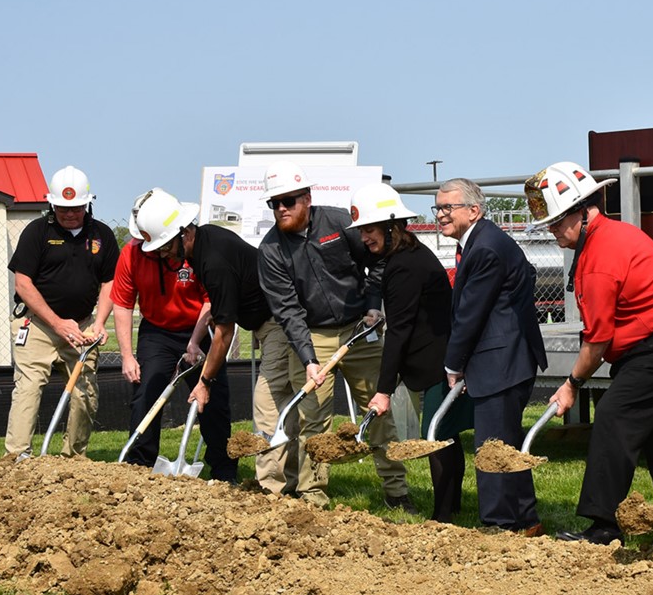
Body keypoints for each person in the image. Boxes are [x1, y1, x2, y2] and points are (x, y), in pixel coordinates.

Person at [526, 162, 653, 548]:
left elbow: (596, 342)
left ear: (584, 211)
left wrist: (571, 384)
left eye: (558, 222)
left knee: (612, 416)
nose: (554, 232)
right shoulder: (610, 237)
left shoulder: (599, 256)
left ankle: (604, 525)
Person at [257, 162, 412, 511]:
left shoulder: (339, 223)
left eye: (289, 200)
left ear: (307, 198)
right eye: (275, 203)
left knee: (377, 410)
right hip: (312, 337)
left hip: (360, 329)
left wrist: (373, 305)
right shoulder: (270, 251)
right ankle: (313, 496)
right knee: (312, 420)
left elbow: (379, 259)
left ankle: (397, 492)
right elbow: (288, 311)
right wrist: (309, 359)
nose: (281, 208)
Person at [135, 189, 298, 495]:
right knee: (282, 401)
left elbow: (224, 333)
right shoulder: (205, 241)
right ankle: (290, 479)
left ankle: (272, 490)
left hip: (278, 323)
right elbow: (215, 307)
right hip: (270, 321)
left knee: (267, 402)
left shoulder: (213, 261)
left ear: (183, 234)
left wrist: (205, 382)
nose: (163, 255)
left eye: (165, 247)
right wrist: (195, 342)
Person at [348, 183, 474, 523]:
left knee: (436, 436)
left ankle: (443, 516)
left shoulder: (404, 266)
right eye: (361, 230)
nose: (364, 238)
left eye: (370, 229)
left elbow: (400, 330)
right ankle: (452, 507)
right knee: (444, 434)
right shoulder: (408, 255)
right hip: (437, 356)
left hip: (437, 361)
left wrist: (383, 389)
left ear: (392, 226)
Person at [436, 177, 546, 535]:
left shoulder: (483, 248)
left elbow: (470, 315)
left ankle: (500, 525)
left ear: (474, 210)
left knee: (492, 447)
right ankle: (525, 520)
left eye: (448, 208)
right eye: (437, 208)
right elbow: (524, 275)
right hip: (507, 356)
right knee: (506, 442)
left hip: (500, 362)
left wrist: (453, 365)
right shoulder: (486, 241)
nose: (440, 215)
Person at [113, 188, 236, 481]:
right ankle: (139, 466)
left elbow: (211, 301)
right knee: (147, 390)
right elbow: (122, 303)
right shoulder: (131, 253)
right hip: (156, 332)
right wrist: (127, 356)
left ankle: (224, 469)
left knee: (214, 397)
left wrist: (194, 342)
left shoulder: (196, 251)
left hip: (201, 329)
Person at [5, 165, 119, 458]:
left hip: (83, 327)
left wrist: (100, 323)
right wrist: (57, 324)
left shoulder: (102, 235)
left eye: (76, 207)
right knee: (29, 390)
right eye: (63, 208)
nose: (69, 214)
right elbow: (23, 282)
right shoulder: (37, 232)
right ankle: (17, 458)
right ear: (52, 204)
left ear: (88, 203)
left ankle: (73, 458)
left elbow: (110, 282)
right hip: (38, 326)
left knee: (85, 393)